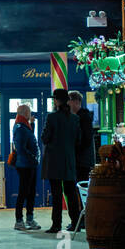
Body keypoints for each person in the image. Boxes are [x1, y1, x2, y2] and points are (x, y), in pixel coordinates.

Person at [40, 88, 81, 234]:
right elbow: (78, 141)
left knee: (57, 195)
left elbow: (45, 138)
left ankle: (56, 225)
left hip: (54, 161)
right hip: (69, 161)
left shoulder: (52, 118)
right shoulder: (75, 119)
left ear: (56, 101)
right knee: (71, 194)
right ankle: (75, 223)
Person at [11, 104, 41, 231]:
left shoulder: (24, 126)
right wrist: (33, 157)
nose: (30, 114)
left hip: (29, 165)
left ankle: (29, 218)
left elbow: (28, 139)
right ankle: (19, 221)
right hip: (25, 165)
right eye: (29, 112)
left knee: (31, 192)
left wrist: (32, 125)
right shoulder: (20, 127)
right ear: (24, 113)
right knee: (24, 192)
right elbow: (22, 148)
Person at [69, 91, 95, 184]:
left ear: (76, 102)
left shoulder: (83, 117)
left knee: (81, 187)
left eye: (69, 102)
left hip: (82, 161)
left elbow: (86, 139)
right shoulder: (79, 117)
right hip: (80, 160)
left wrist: (74, 150)